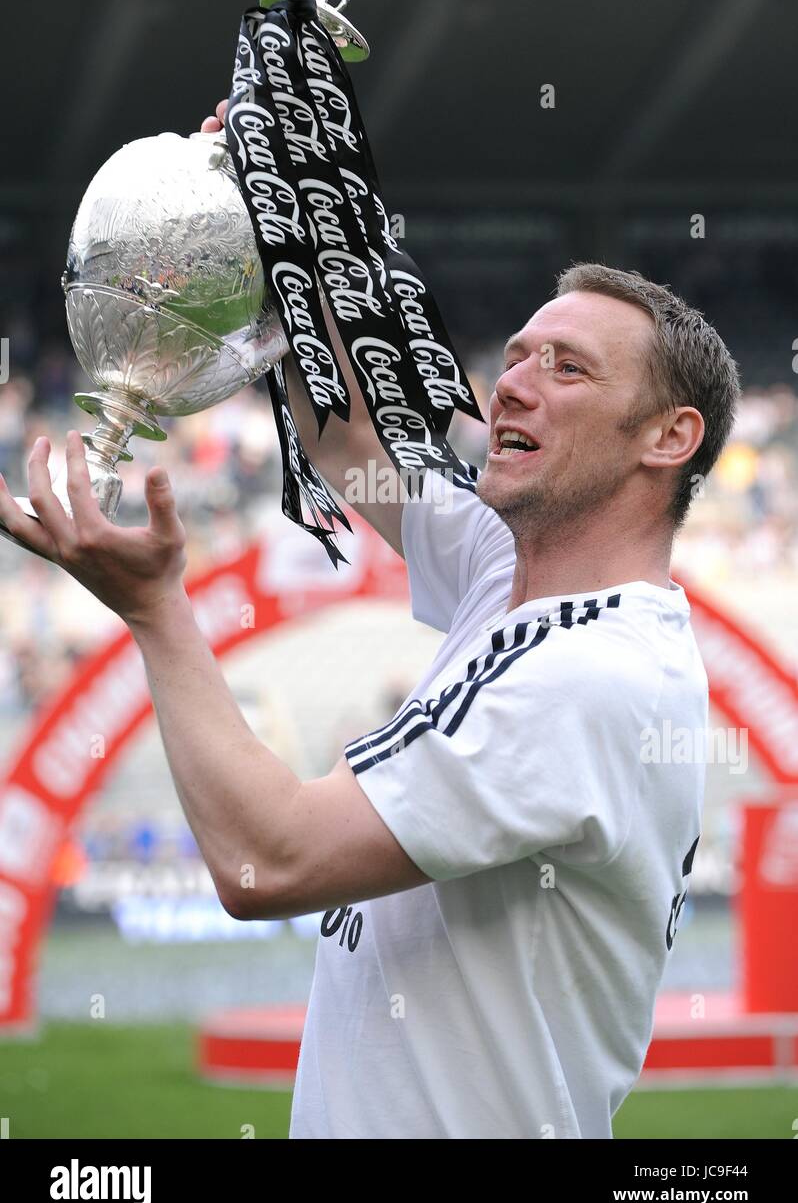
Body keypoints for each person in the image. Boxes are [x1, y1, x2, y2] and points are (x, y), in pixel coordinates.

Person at [0, 98, 740, 1139]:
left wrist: (157, 612)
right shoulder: (513, 570)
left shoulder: (592, 676)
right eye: (519, 356)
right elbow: (350, 438)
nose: (516, 385)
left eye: (567, 367)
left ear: (671, 436)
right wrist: (267, 221)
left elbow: (270, 860)